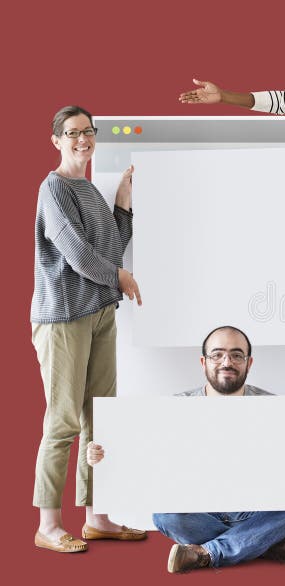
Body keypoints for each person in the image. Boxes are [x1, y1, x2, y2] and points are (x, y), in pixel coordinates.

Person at [88, 325, 285, 573]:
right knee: (164, 516)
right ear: (203, 362)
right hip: (200, 513)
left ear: (249, 363)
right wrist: (105, 456)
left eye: (237, 355)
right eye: (217, 355)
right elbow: (145, 459)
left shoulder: (275, 408)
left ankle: (208, 552)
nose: (227, 362)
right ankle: (266, 543)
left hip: (257, 509)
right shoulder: (175, 408)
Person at [32, 105, 145, 553]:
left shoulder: (90, 190)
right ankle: (48, 525)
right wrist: (121, 278)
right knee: (63, 420)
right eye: (73, 132)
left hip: (99, 312)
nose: (83, 139)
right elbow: (78, 255)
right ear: (56, 140)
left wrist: (121, 206)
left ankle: (97, 518)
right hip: (63, 316)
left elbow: (111, 249)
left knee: (102, 418)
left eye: (88, 131)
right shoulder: (54, 189)